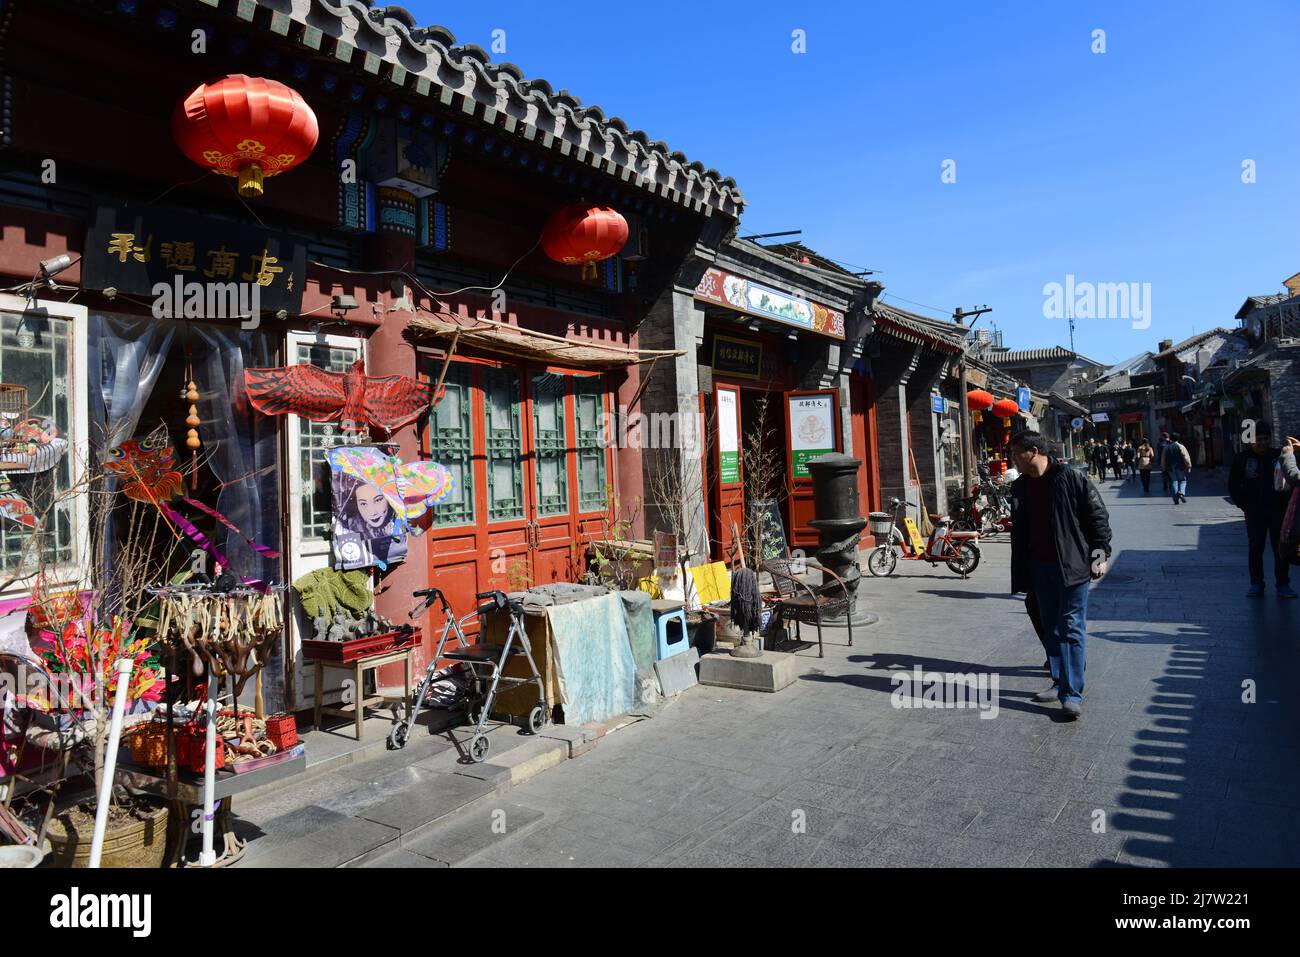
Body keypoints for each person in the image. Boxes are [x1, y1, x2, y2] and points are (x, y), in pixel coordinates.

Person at [1009, 429, 1113, 720]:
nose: (1013, 460)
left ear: (1033, 451)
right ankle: (1059, 681)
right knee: (1050, 626)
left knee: (1071, 627)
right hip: (1038, 566)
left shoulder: (1070, 478)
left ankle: (1071, 694)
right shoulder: (1020, 487)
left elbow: (1097, 517)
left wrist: (1100, 553)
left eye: (1017, 453)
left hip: (1072, 566)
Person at [1229, 421, 1296, 599]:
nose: (1263, 443)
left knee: (1280, 548)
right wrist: (1243, 504)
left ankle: (1283, 583)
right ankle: (1256, 583)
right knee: (1256, 548)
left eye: (1266, 439)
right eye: (1259, 439)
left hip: (1277, 511)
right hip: (1254, 512)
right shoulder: (1243, 459)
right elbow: (1233, 484)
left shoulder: (1277, 456)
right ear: (1252, 440)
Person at [1163, 433, 1191, 504]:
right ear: (1178, 438)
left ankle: (1175, 499)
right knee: (1182, 480)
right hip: (1180, 466)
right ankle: (1181, 493)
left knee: (1173, 481)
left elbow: (1163, 459)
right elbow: (1186, 457)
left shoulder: (1166, 447)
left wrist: (1163, 467)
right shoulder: (1181, 446)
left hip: (1170, 467)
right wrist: (1188, 466)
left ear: (1171, 438)